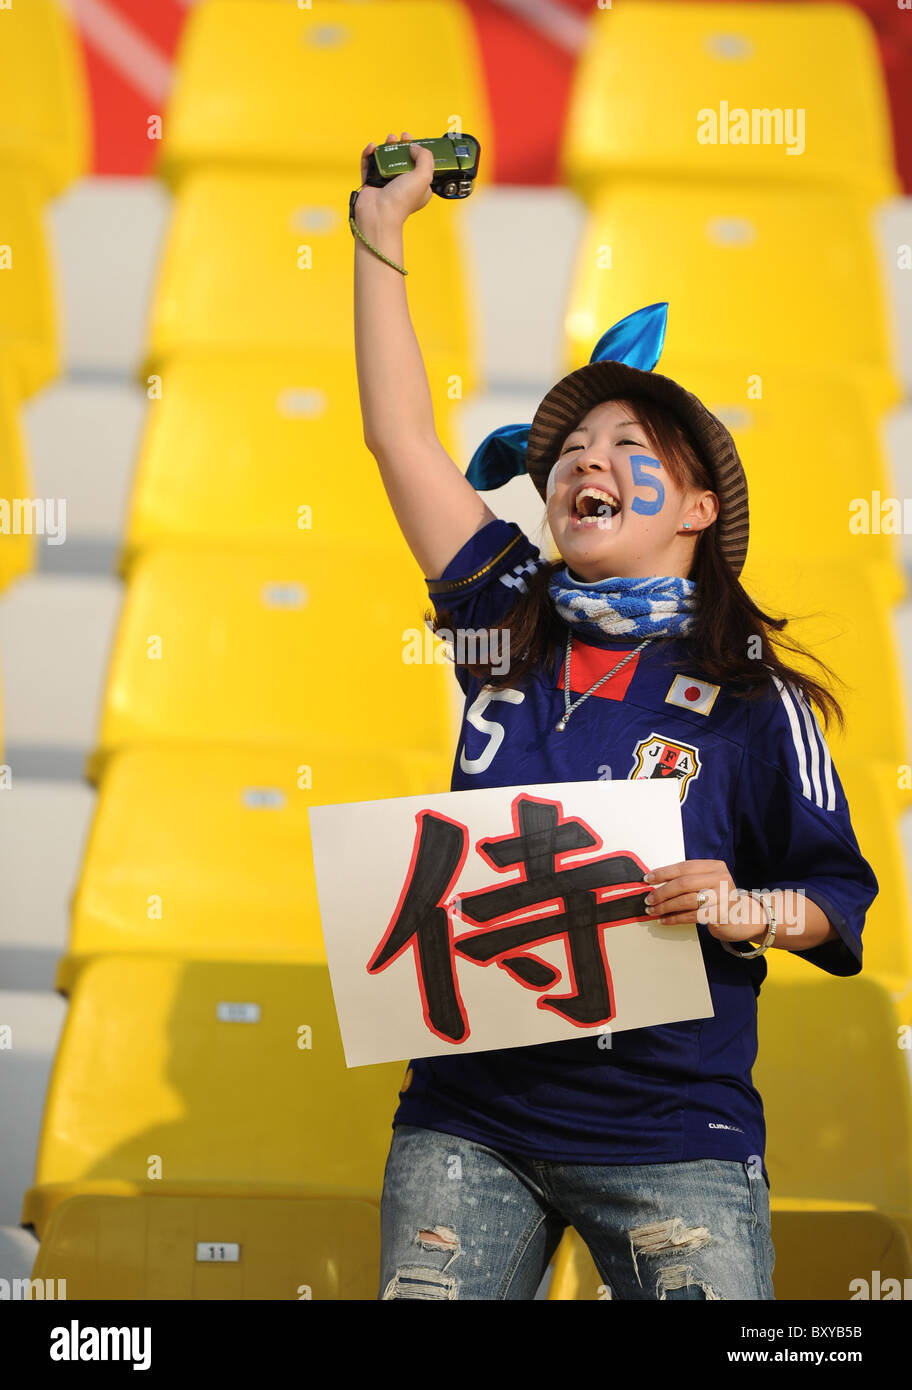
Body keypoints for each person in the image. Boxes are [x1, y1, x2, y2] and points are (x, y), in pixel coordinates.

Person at [352, 132, 879, 1301]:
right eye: (570, 453)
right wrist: (380, 242)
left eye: (625, 449)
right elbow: (400, 438)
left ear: (697, 505)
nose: (585, 463)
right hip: (464, 1124)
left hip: (673, 1139)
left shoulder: (756, 699)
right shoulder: (504, 614)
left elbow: (838, 896)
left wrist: (744, 907)